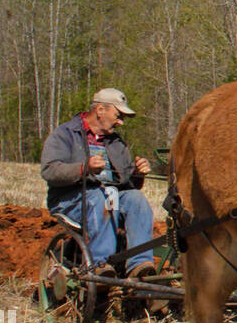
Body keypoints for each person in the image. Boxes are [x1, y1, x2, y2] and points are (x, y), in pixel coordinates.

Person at [40, 88, 156, 280]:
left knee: (136, 199)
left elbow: (127, 183)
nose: (120, 122)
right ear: (100, 110)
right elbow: (49, 170)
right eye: (118, 115)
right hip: (70, 199)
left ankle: (140, 265)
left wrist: (137, 173)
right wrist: (84, 168)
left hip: (107, 197)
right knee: (100, 197)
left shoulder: (116, 142)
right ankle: (100, 264)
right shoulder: (66, 134)